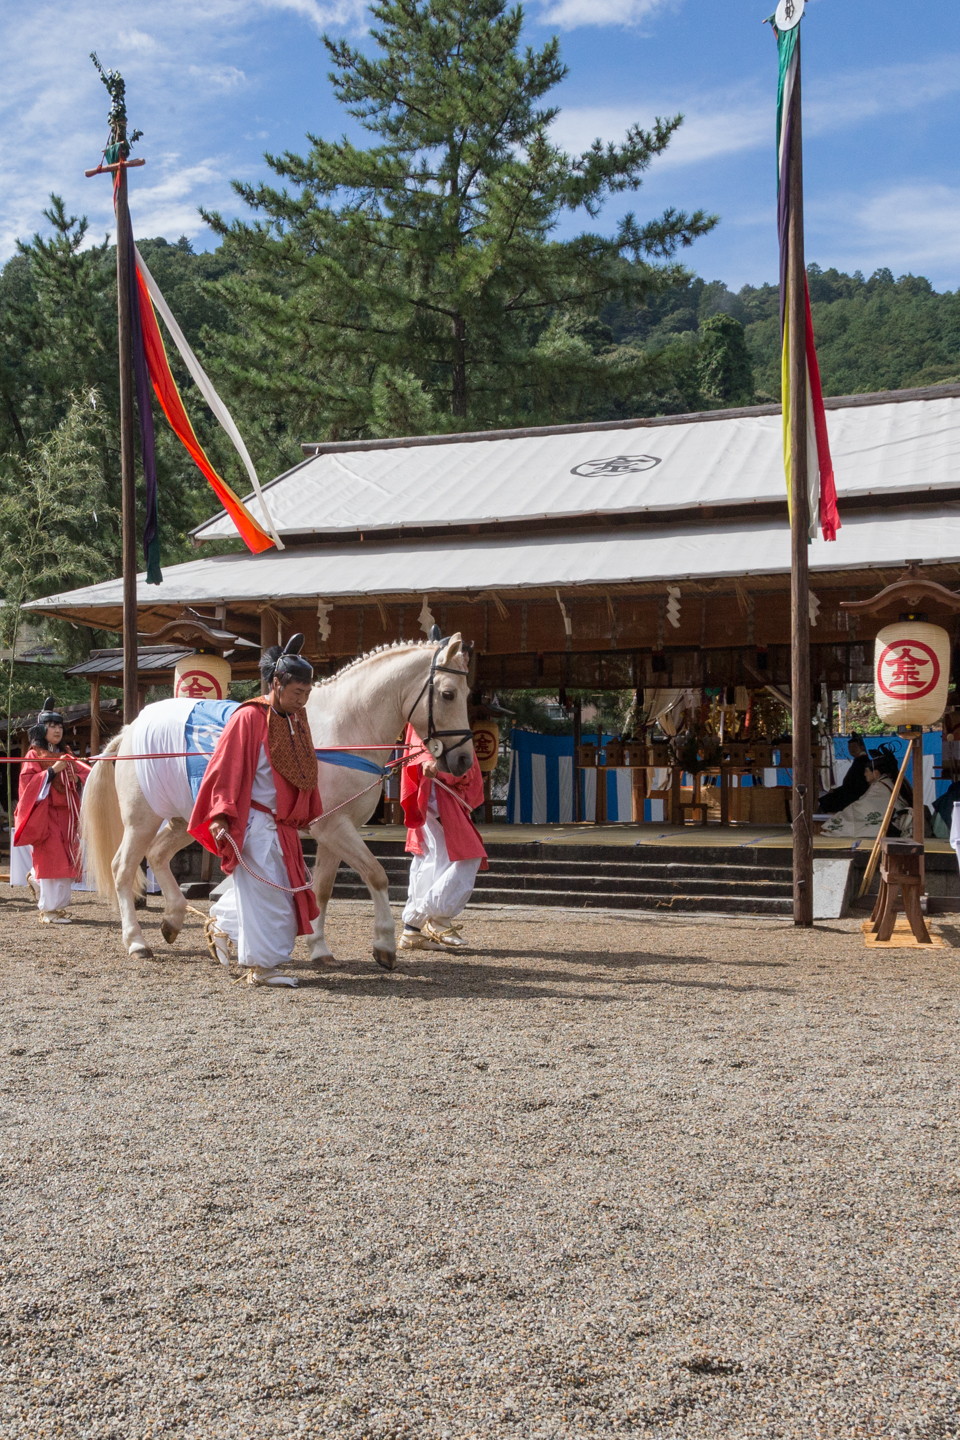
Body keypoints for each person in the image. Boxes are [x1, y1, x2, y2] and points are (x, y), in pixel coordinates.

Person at [189, 636, 322, 987]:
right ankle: (262, 968)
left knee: (270, 891)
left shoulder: (296, 717)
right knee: (272, 898)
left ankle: (222, 924)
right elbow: (224, 769)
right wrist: (219, 816)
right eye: (297, 692)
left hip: (282, 825)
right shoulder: (248, 717)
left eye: (307, 693)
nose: (302, 699)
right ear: (276, 684)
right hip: (256, 822)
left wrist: (303, 810)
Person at [398, 722, 487, 951]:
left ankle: (413, 929)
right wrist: (429, 761)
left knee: (431, 858)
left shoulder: (434, 706)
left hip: (435, 793)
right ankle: (437, 919)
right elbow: (419, 740)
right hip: (438, 793)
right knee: (465, 856)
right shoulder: (426, 708)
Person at [13, 698, 91, 924]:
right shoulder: (34, 755)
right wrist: (51, 773)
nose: (57, 730)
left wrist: (76, 776)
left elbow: (82, 775)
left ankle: (47, 893)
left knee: (66, 860)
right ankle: (49, 911)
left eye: (59, 726)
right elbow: (28, 784)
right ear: (41, 729)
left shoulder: (67, 753)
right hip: (45, 814)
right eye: (51, 726)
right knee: (51, 860)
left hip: (66, 815)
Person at [818, 732, 871, 814]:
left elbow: (854, 785)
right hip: (850, 793)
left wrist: (836, 791)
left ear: (862, 747)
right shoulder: (859, 761)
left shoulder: (862, 762)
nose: (851, 749)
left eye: (854, 746)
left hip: (855, 796)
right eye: (849, 747)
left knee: (825, 802)